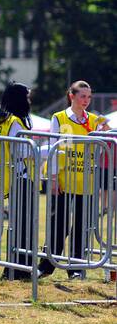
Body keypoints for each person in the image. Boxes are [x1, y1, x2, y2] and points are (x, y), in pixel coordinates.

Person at [48, 81, 111, 279]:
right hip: (65, 180)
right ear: (71, 96)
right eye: (82, 96)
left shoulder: (93, 120)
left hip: (88, 182)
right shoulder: (59, 118)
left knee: (82, 227)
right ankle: (48, 263)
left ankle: (76, 267)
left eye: (89, 97)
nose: (86, 100)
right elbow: (54, 148)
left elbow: (106, 141)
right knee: (59, 223)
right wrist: (53, 177)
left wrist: (105, 126)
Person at [0, 83, 54, 280]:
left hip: (16, 175)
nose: (29, 100)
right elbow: (21, 150)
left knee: (20, 223)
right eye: (27, 96)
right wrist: (47, 150)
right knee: (24, 223)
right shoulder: (15, 121)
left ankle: (18, 266)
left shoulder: (7, 119)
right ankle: (20, 267)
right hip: (21, 176)